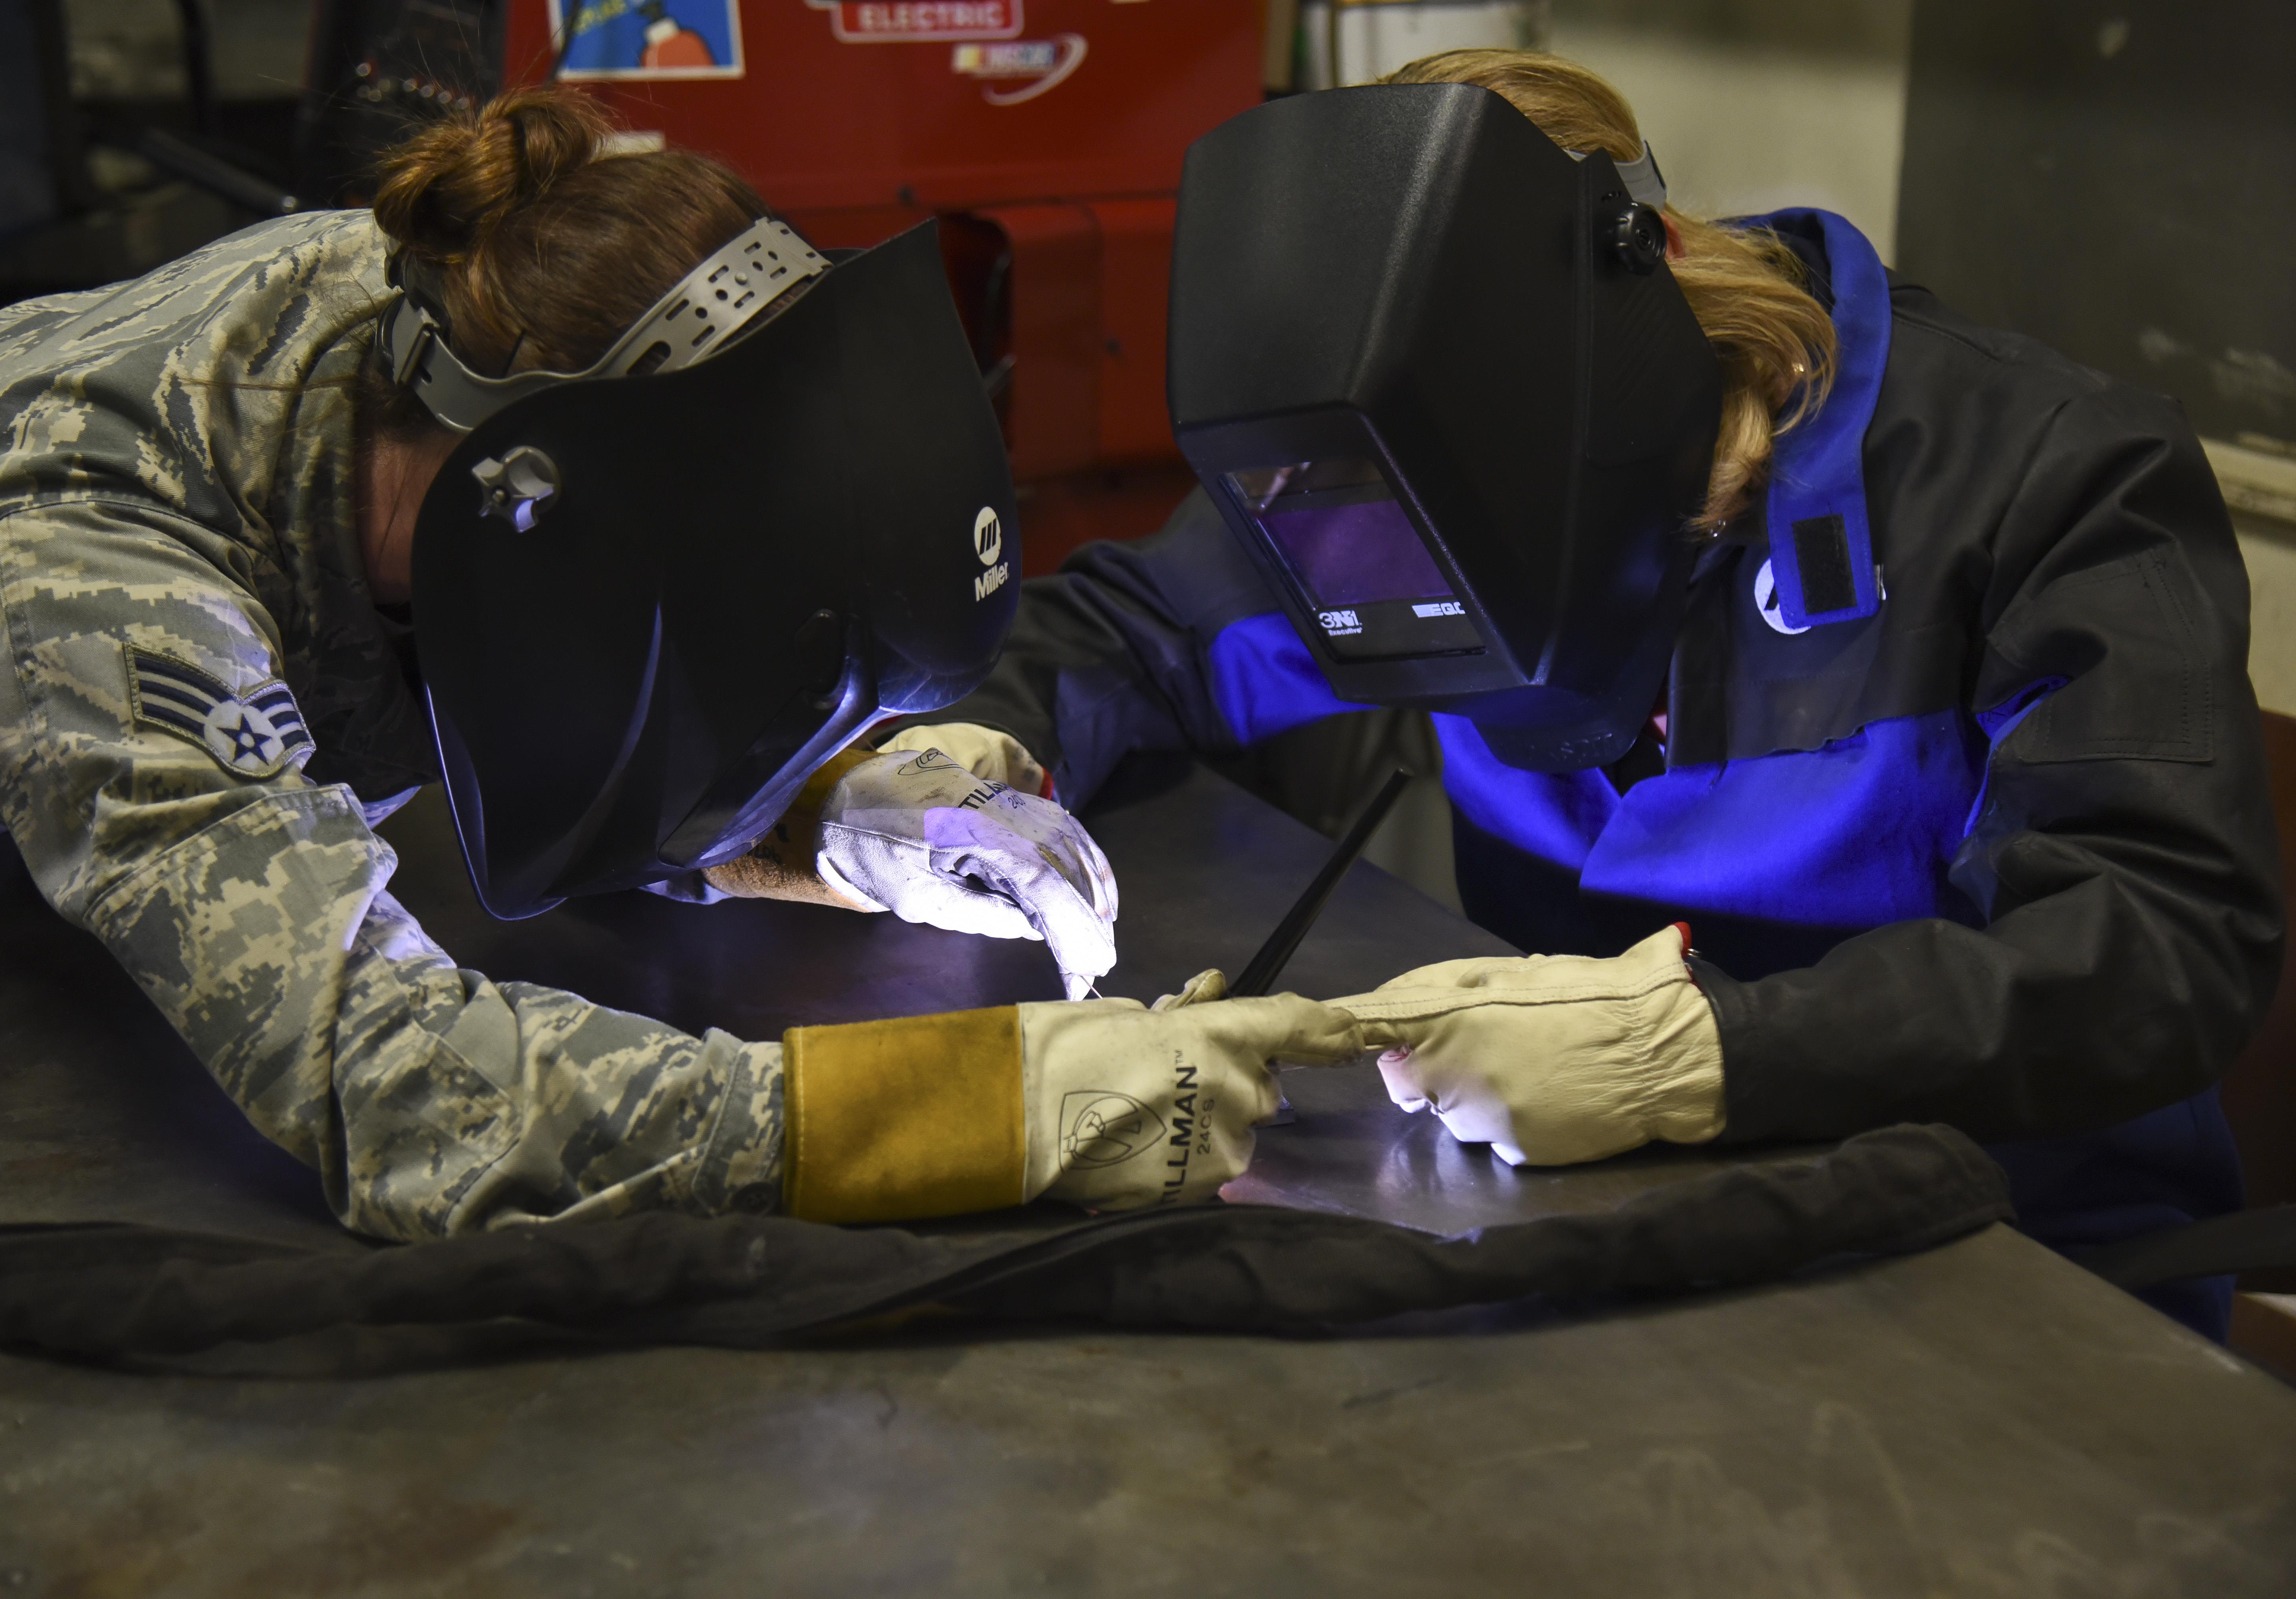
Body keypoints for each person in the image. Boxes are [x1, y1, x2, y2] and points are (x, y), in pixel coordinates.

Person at [899, 50, 2283, 1337]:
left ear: (1652, 311)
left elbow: (2159, 943)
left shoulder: (2047, 480)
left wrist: (1715, 1053)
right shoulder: (1392, 469)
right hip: (1594, 1231)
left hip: (1999, 1266)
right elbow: (1132, 630)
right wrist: (958, 770)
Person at [0, 87, 1368, 1242]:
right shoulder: (89, 583)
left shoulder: (481, 293)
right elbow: (392, 1092)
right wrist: (982, 1112)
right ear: (522, 503)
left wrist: (840, 822)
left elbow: (590, 677)